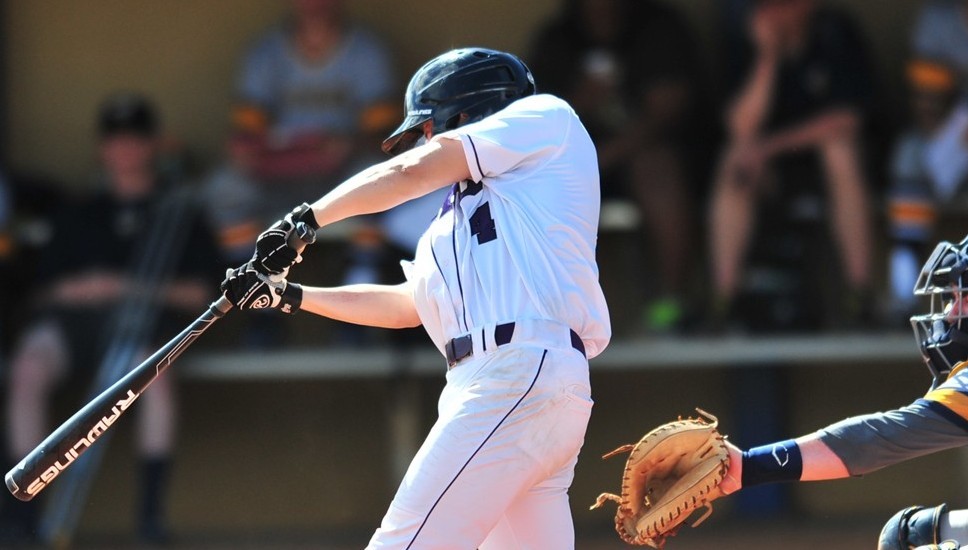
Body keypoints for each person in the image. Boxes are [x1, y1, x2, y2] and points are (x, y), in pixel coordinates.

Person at [219, 47, 611, 549]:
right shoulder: (452, 224)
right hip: (515, 383)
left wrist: (305, 220)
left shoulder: (544, 119)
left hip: (517, 372)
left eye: (430, 125)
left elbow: (411, 172)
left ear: (466, 110)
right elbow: (408, 305)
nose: (425, 138)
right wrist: (289, 296)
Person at [0, 93, 220, 545]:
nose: (125, 150)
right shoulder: (78, 211)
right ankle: (22, 518)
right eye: (116, 140)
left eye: (135, 140)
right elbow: (42, 288)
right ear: (103, 148)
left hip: (143, 329)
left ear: (152, 146)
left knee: (153, 377)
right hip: (72, 327)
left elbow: (204, 292)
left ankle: (149, 519)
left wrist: (125, 287)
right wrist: (82, 289)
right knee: (26, 368)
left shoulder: (178, 211)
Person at [709, 224, 968, 549]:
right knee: (910, 537)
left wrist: (749, 467)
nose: (952, 312)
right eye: (954, 297)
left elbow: (872, 441)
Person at [527, 0, 711, 333]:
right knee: (535, 180)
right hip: (576, 165)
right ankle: (552, 317)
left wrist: (602, 158)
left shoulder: (659, 27)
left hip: (648, 162)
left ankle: (672, 305)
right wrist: (583, 99)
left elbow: (667, 111)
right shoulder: (559, 38)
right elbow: (534, 123)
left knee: (656, 166)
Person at [707, 0, 877, 330]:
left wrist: (768, 147)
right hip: (769, 172)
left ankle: (861, 294)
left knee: (838, 151)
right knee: (733, 158)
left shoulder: (834, 32)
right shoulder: (743, 35)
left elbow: (846, 120)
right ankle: (724, 301)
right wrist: (767, 56)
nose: (775, 11)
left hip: (824, 169)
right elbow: (740, 127)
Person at [202, 0, 399, 264]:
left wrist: (347, 143)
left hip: (341, 171)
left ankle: (364, 270)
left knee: (379, 175)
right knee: (225, 188)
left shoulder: (365, 50)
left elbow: (384, 130)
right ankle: (246, 276)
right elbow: (246, 127)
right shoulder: (267, 51)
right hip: (277, 171)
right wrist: (250, 149)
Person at [886, 0, 968, 326]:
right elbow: (926, 108)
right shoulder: (940, 23)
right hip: (962, 148)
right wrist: (963, 121)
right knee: (910, 152)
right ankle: (902, 286)